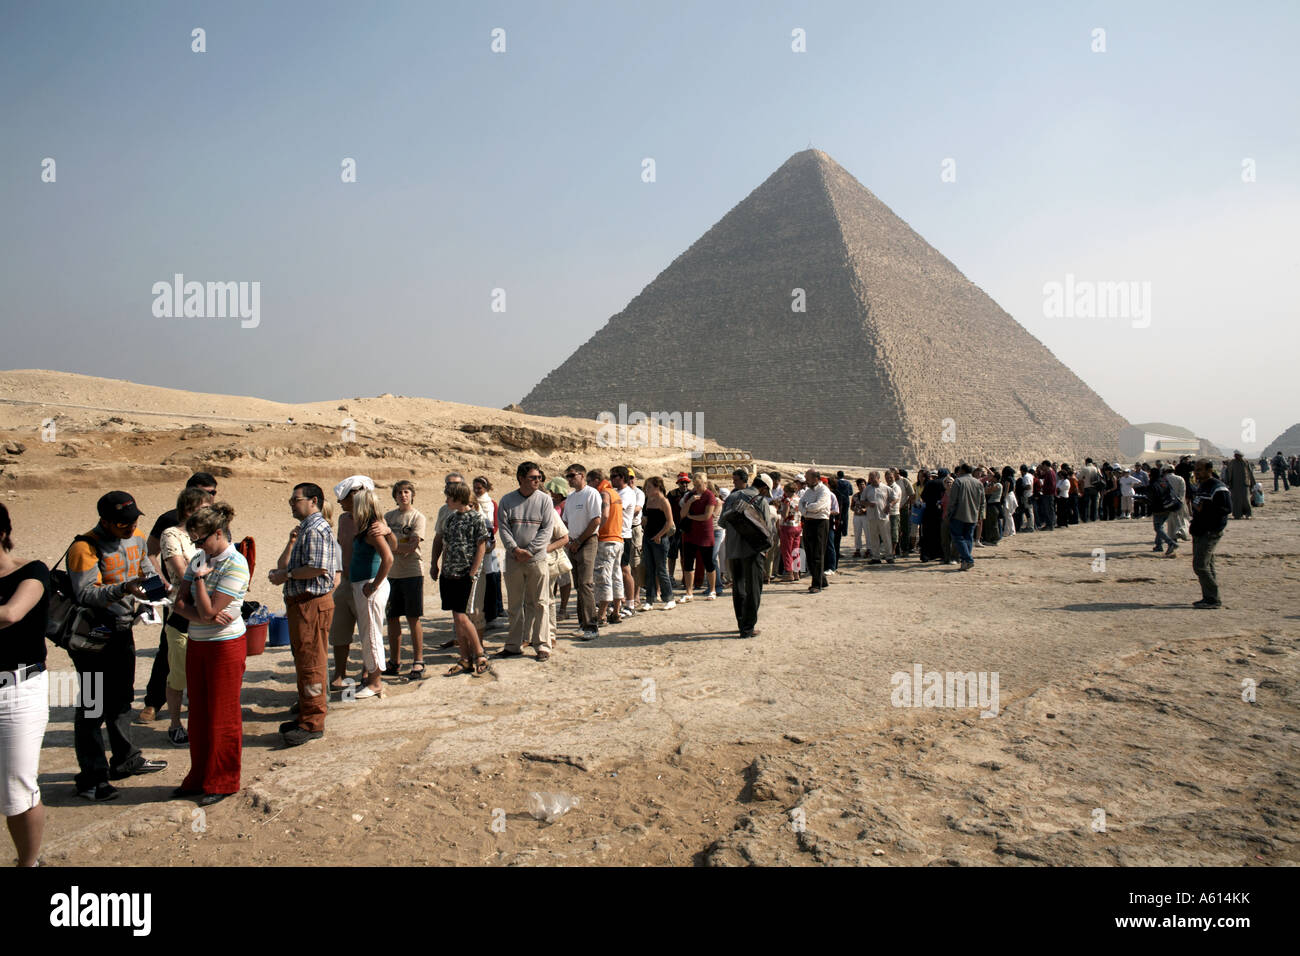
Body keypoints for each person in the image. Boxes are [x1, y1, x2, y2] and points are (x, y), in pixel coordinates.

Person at [68, 492, 168, 800]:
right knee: (92, 706)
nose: (131, 527)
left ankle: (126, 760)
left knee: (122, 699)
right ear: (105, 521)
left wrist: (157, 593)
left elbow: (146, 572)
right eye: (124, 523)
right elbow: (84, 593)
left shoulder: (136, 537)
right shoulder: (83, 547)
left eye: (135, 520)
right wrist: (122, 589)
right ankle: (92, 777)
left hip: (122, 631)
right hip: (93, 637)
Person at [170, 502, 249, 807]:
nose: (197, 546)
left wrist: (200, 583)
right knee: (200, 713)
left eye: (200, 540)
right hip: (199, 642)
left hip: (225, 646)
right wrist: (203, 613)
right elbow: (180, 604)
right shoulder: (200, 558)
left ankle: (223, 780)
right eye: (194, 541)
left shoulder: (235, 563)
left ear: (218, 533)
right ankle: (200, 776)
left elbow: (208, 609)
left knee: (222, 714)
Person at [140, 473, 218, 725]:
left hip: (208, 599)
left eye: (213, 493)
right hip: (179, 598)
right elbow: (149, 555)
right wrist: (157, 584)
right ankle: (153, 703)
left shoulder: (214, 522)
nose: (211, 499)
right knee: (169, 651)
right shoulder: (168, 524)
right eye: (204, 494)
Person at [270, 482, 341, 747]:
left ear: (313, 501)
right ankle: (306, 715)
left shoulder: (316, 529)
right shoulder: (306, 530)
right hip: (302, 604)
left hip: (312, 604)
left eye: (295, 498)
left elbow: (318, 567)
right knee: (304, 659)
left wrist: (286, 575)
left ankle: (312, 722)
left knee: (312, 662)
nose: (291, 502)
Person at [0, 504, 51, 864]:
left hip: (18, 690)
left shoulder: (32, 571)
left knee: (17, 788)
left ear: (3, 533)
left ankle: (27, 863)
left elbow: (10, 614)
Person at [156, 486, 216, 746]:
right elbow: (183, 573)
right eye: (204, 508)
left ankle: (200, 722)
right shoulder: (172, 535)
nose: (209, 512)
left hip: (206, 610)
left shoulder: (205, 535)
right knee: (179, 674)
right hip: (183, 611)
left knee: (204, 675)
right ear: (190, 509)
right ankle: (175, 723)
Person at [495, 461, 556, 660]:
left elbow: (547, 530)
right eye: (533, 477)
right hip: (513, 560)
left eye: (539, 477)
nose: (537, 481)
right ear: (521, 478)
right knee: (514, 604)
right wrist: (514, 549)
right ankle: (513, 644)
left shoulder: (545, 500)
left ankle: (542, 645)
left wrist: (529, 551)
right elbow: (503, 528)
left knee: (540, 602)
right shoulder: (507, 500)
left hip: (536, 559)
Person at [438, 482, 493, 675]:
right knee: (457, 617)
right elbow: (447, 545)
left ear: (457, 498)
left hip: (465, 574)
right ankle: (465, 658)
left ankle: (479, 653)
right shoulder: (451, 518)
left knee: (463, 616)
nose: (446, 500)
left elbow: (481, 546)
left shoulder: (477, 518)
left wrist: (472, 572)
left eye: (449, 497)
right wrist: (441, 568)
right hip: (449, 573)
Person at [347, 485, 395, 698]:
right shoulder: (370, 527)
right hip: (364, 585)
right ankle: (372, 677)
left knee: (371, 634)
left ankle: (375, 682)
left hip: (369, 587)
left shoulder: (372, 529)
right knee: (368, 633)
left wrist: (374, 585)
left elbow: (389, 557)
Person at [721, 473, 777, 639]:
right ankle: (748, 627)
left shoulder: (733, 496)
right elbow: (768, 529)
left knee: (738, 588)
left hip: (733, 549)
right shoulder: (761, 501)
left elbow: (722, 523)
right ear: (764, 488)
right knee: (754, 589)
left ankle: (741, 623)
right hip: (753, 550)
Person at [383, 480, 427, 679]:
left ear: (412, 494)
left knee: (413, 617)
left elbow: (411, 547)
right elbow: (382, 544)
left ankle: (418, 660)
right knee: (392, 617)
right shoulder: (388, 517)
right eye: (399, 492)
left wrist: (393, 549)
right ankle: (395, 660)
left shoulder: (418, 517)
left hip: (412, 573)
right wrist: (394, 549)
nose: (403, 495)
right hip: (391, 574)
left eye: (407, 491)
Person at [562, 464, 602, 640]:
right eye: (567, 477)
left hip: (587, 541)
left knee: (586, 583)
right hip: (573, 543)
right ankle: (582, 623)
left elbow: (596, 520)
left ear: (582, 475)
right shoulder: (570, 498)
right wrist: (570, 541)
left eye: (572, 475)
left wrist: (579, 541)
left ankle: (591, 625)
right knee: (578, 585)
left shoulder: (591, 493)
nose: (569, 479)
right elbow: (566, 522)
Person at [1189, 459, 1232, 608]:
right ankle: (1209, 597)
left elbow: (1226, 509)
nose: (1196, 472)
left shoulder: (1218, 488)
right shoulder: (1202, 486)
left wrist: (1205, 510)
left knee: (1200, 565)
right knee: (1207, 565)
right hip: (1199, 531)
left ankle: (1213, 599)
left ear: (1209, 470)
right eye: (1195, 470)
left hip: (1210, 531)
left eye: (1199, 470)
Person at [587, 469, 626, 623]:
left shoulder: (604, 493)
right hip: (617, 539)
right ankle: (616, 612)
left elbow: (605, 515)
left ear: (596, 480)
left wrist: (595, 531)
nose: (589, 485)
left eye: (589, 481)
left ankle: (602, 614)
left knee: (603, 577)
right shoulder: (614, 493)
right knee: (616, 576)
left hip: (606, 540)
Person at [679, 471, 718, 601]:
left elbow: (707, 516)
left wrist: (691, 516)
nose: (696, 488)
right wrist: (689, 502)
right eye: (695, 485)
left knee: (708, 563)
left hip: (705, 534)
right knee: (688, 563)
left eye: (699, 485)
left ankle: (712, 590)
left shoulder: (709, 496)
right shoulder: (690, 495)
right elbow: (682, 514)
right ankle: (689, 592)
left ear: (705, 483)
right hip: (690, 534)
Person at [472, 477, 505, 629]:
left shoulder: (492, 504)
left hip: (490, 545)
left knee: (493, 578)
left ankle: (495, 612)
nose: (477, 490)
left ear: (486, 488)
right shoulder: (471, 502)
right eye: (475, 487)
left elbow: (495, 524)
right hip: (476, 544)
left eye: (479, 488)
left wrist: (489, 540)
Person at [639, 477, 676, 610]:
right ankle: (650, 599)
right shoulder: (648, 500)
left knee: (661, 570)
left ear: (657, 487)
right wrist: (644, 520)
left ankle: (669, 598)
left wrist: (659, 535)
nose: (646, 490)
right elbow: (647, 518)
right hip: (648, 537)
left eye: (649, 487)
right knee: (649, 568)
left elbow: (669, 522)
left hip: (660, 539)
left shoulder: (663, 501)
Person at [610, 466, 639, 619]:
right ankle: (618, 602)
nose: (611, 479)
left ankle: (630, 604)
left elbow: (617, 511)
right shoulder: (617, 492)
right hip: (615, 535)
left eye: (614, 476)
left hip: (623, 535)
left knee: (624, 570)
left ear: (622, 477)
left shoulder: (627, 493)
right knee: (615, 572)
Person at [946, 464, 984, 571]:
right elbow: (982, 501)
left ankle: (968, 559)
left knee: (957, 537)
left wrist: (949, 514)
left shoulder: (958, 482)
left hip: (959, 515)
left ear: (962, 470)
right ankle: (964, 562)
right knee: (968, 538)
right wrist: (980, 515)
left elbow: (952, 501)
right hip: (973, 515)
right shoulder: (978, 483)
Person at [799, 469, 832, 591]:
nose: (806, 480)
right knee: (809, 552)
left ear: (816, 478)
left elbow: (818, 506)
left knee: (817, 553)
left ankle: (816, 584)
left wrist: (806, 508)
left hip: (820, 523)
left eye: (807, 478)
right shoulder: (808, 491)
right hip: (808, 522)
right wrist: (806, 509)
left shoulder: (824, 491)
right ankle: (822, 580)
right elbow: (800, 504)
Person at [666, 473, 690, 586]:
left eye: (686, 482)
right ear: (678, 483)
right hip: (674, 528)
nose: (684, 485)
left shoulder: (691, 494)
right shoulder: (671, 494)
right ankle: (671, 576)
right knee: (672, 554)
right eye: (682, 482)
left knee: (685, 554)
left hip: (687, 528)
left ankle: (686, 577)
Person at [864, 472, 893, 565]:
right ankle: (876, 557)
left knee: (886, 537)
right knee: (873, 537)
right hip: (872, 516)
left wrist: (889, 505)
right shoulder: (867, 489)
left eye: (872, 478)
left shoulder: (886, 488)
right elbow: (862, 500)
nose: (870, 480)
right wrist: (868, 504)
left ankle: (889, 556)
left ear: (877, 478)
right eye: (869, 478)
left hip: (883, 516)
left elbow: (894, 498)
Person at [919, 470, 946, 562]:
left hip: (929, 512)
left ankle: (926, 555)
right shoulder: (946, 483)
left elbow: (923, 496)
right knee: (940, 534)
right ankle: (940, 554)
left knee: (927, 534)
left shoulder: (930, 483)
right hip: (941, 513)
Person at [1226, 452, 1255, 519]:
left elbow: (1250, 473)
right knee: (1236, 500)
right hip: (1234, 485)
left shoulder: (1245, 462)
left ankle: (1248, 514)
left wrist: (1253, 483)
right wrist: (1228, 482)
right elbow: (1228, 473)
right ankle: (1237, 515)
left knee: (1245, 499)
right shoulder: (1232, 462)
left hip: (1244, 484)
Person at [833, 471, 853, 561]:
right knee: (845, 517)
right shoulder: (848, 483)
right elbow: (851, 493)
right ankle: (844, 530)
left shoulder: (836, 482)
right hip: (845, 502)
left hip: (838, 502)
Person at [851, 478, 871, 558]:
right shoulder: (855, 496)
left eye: (862, 485)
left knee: (868, 533)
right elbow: (851, 506)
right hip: (857, 516)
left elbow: (871, 505)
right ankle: (858, 549)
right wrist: (855, 509)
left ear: (865, 485)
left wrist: (865, 509)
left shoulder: (868, 495)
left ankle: (869, 549)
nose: (861, 487)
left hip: (866, 516)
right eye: (859, 485)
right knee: (857, 533)